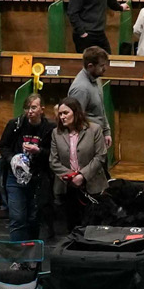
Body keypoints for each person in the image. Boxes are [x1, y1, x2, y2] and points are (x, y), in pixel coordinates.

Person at [0, 90, 54, 244]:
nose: (30, 112)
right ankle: (18, 254)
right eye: (27, 108)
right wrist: (12, 158)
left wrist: (39, 151)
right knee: (17, 217)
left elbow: (54, 153)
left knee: (33, 217)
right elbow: (3, 146)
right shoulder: (15, 125)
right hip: (15, 176)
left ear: (42, 109)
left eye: (34, 108)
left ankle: (31, 253)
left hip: (37, 176)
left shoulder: (49, 128)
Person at [50, 98, 109, 237]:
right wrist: (71, 176)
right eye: (60, 114)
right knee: (73, 229)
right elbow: (53, 161)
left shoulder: (94, 130)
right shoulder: (56, 133)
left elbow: (100, 156)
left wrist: (82, 175)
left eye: (65, 113)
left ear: (76, 113)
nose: (62, 117)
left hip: (93, 188)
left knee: (93, 229)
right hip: (68, 188)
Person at [68, 48, 111, 125]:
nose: (105, 69)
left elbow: (100, 110)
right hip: (87, 134)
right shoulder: (81, 89)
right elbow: (76, 120)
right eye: (101, 66)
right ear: (90, 66)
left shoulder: (96, 79)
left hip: (97, 133)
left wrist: (106, 132)